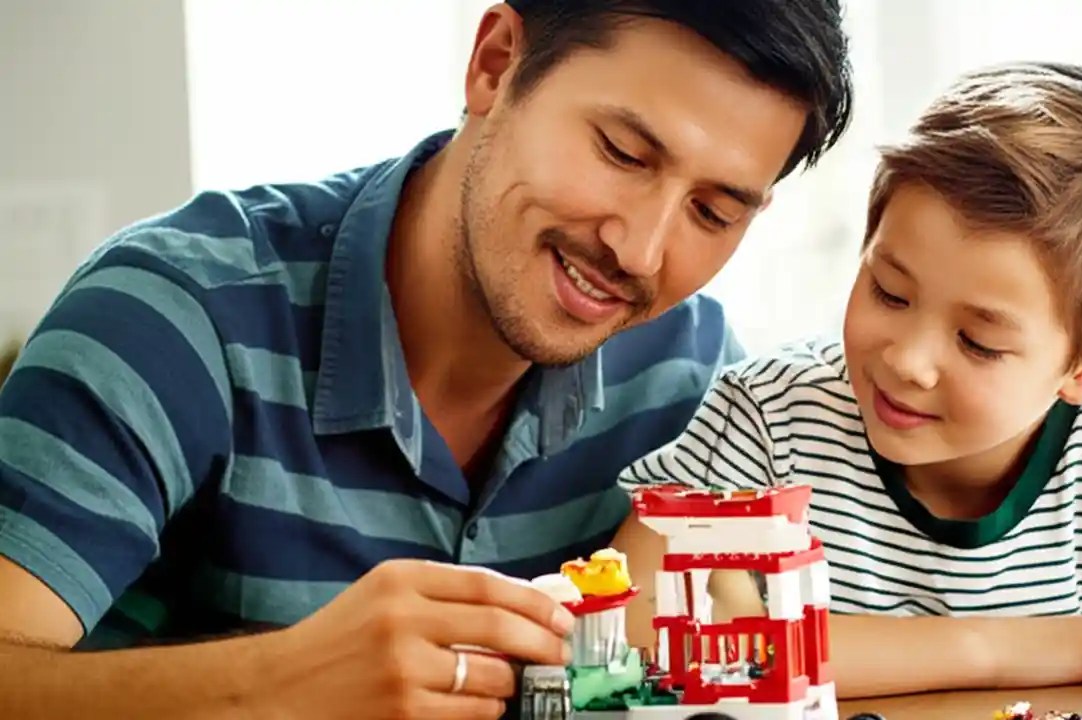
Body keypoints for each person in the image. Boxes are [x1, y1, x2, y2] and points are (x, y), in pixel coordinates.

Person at [0, 1, 853, 717]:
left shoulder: (688, 371)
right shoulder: (174, 313)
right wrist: (279, 683)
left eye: (713, 212)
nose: (642, 251)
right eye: (623, 154)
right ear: (495, 63)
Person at [612, 60, 1082, 699]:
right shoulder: (771, 421)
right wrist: (998, 649)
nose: (907, 360)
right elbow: (634, 625)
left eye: (978, 342)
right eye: (889, 292)